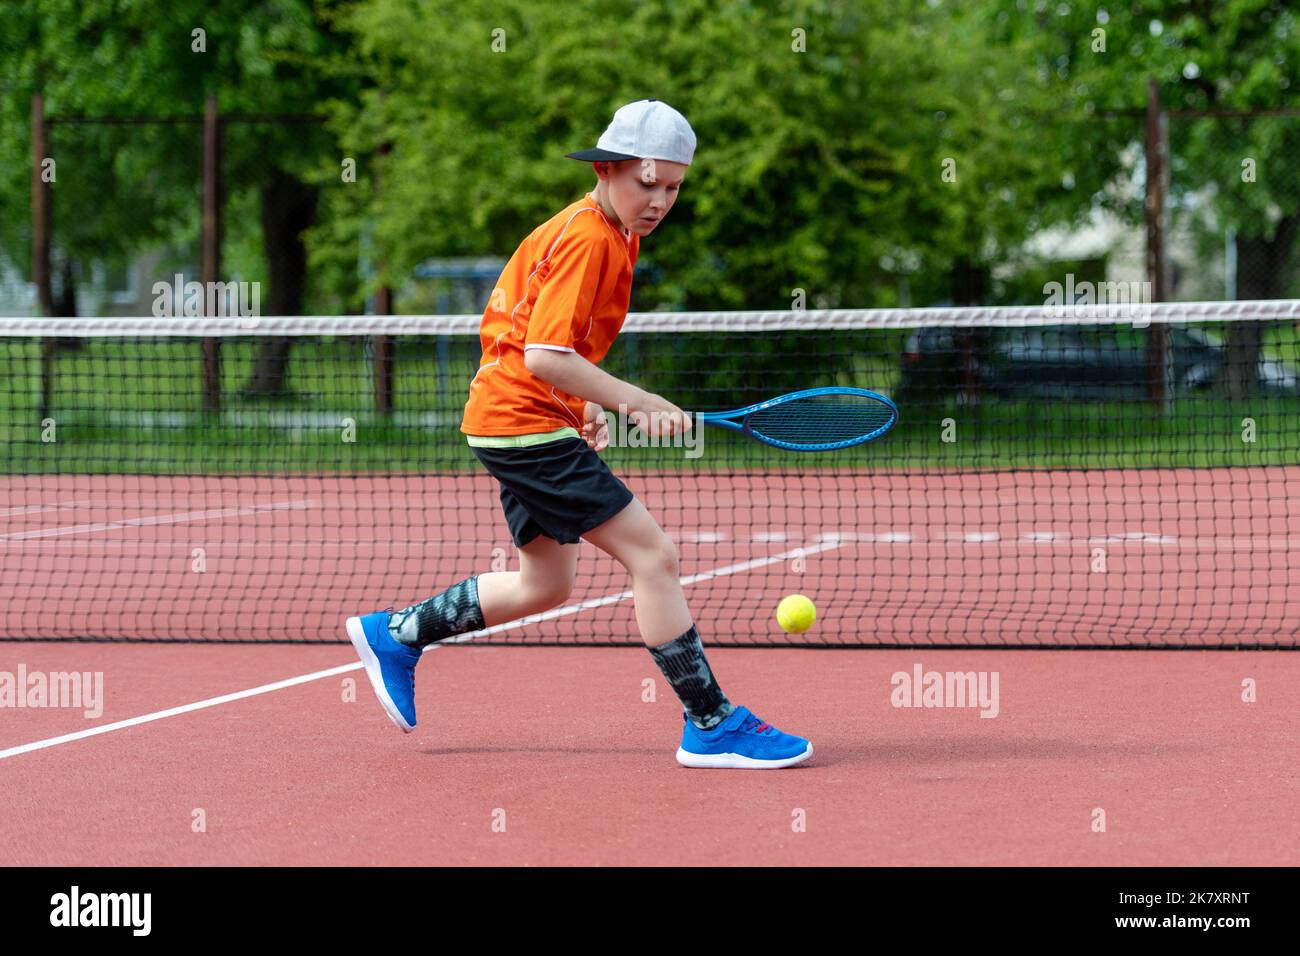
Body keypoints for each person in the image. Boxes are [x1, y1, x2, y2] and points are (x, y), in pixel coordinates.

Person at [347, 99, 812, 769]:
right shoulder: (592, 236)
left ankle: (396, 635)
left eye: (672, 186)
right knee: (653, 558)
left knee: (544, 585)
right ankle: (711, 723)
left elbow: (543, 338)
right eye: (645, 183)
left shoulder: (607, 230)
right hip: (523, 423)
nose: (657, 199)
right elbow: (542, 354)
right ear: (606, 168)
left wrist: (581, 403)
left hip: (520, 418)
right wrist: (634, 399)